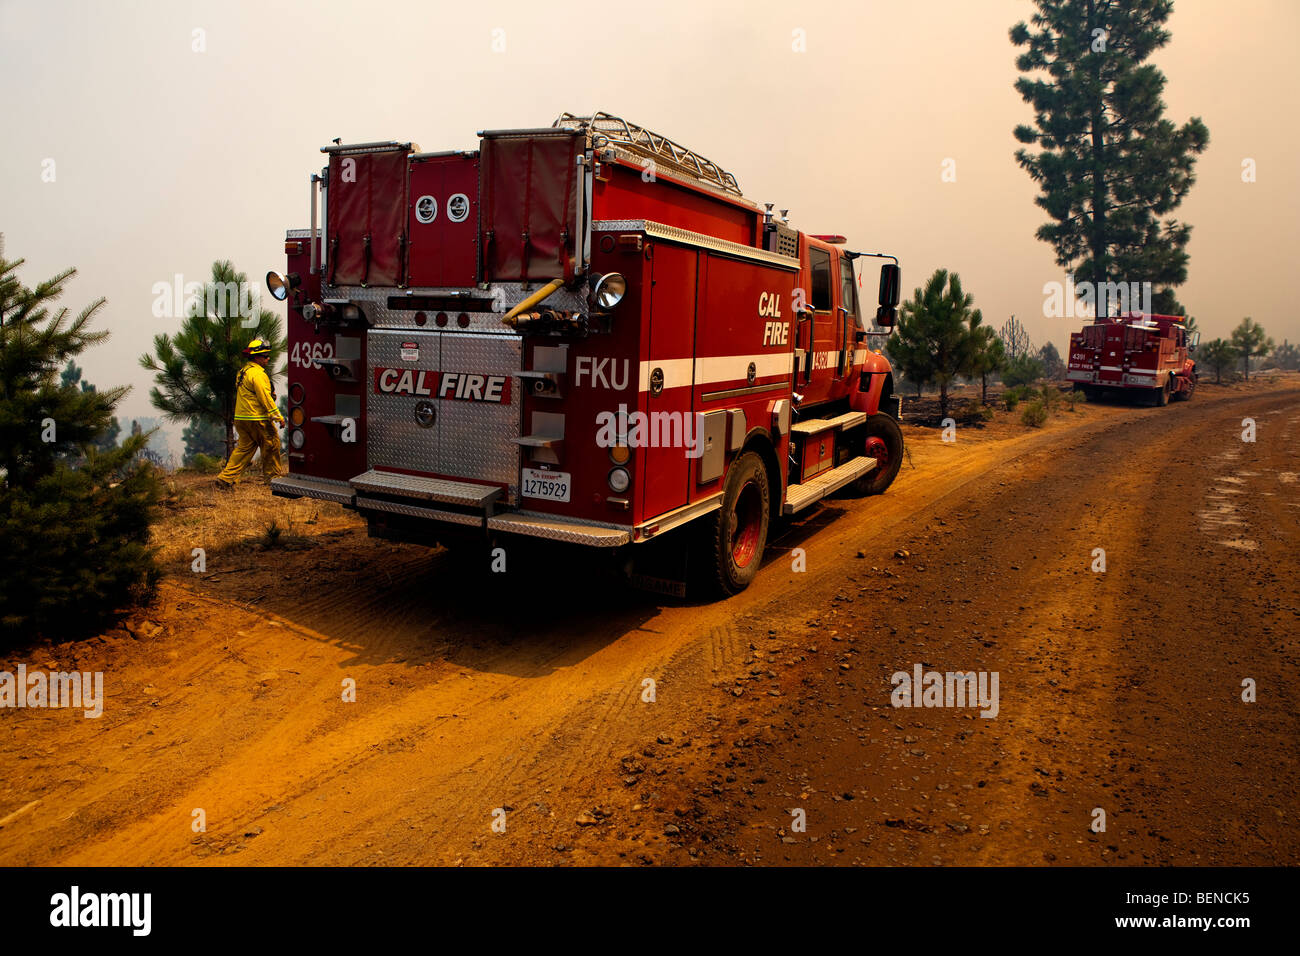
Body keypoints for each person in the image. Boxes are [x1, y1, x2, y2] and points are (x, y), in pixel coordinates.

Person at [215, 339, 286, 488]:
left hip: (241, 418)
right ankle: (274, 479)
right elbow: (264, 397)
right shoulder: (258, 374)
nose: (268, 358)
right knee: (271, 443)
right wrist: (277, 416)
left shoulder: (243, 372)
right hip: (257, 418)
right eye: (265, 355)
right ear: (256, 357)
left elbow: (250, 394)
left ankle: (225, 478)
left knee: (244, 449)